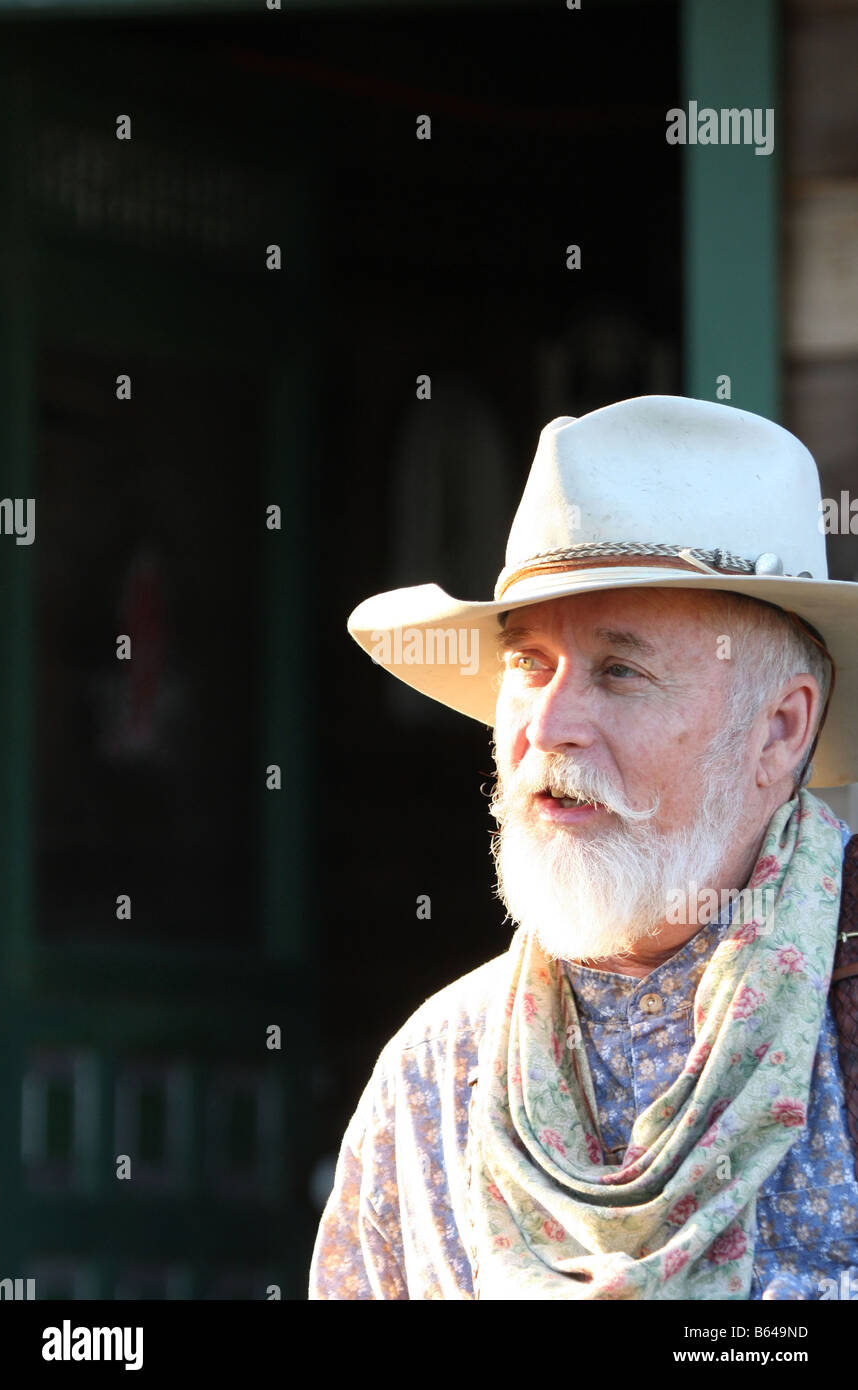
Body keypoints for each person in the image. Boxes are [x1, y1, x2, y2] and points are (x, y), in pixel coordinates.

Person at [310, 394, 858, 1300]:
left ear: (780, 731)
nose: (549, 726)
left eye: (620, 671)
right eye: (528, 664)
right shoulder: (436, 1073)